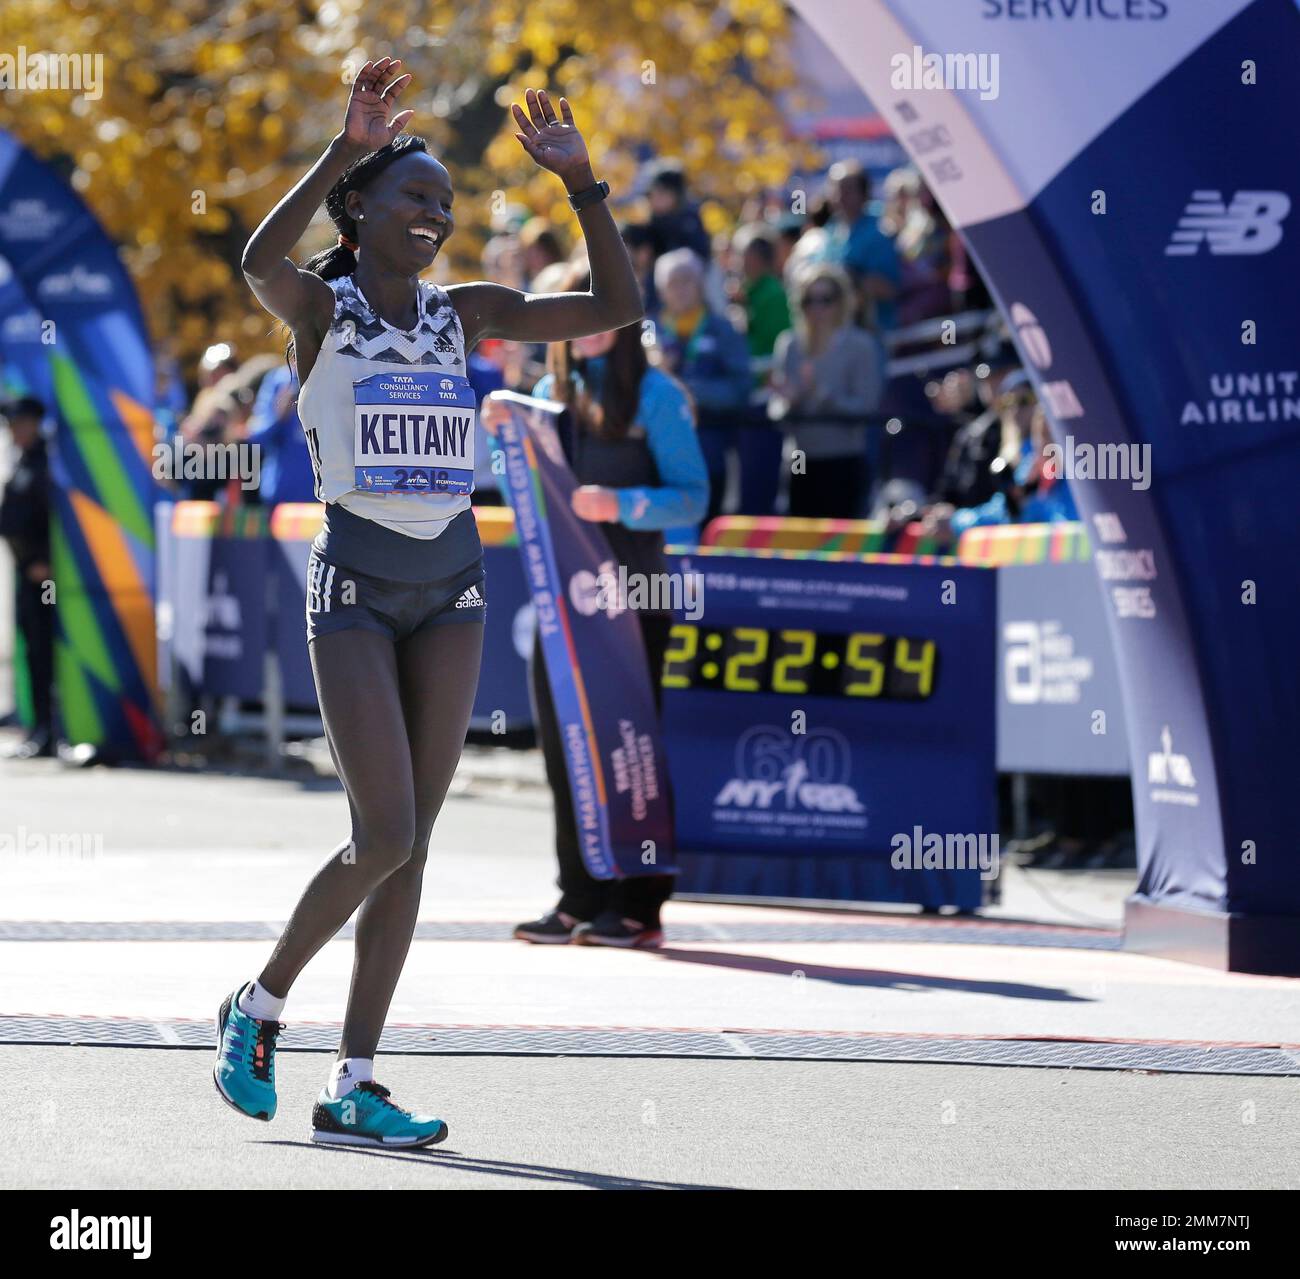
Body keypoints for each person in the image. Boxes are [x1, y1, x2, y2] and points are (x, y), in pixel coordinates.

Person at [223, 58, 642, 1147]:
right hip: (357, 586)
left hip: (450, 587)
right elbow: (257, 256)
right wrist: (344, 148)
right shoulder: (322, 307)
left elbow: (614, 305)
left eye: (445, 207)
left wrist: (583, 188)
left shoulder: (466, 314)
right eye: (414, 197)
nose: (434, 217)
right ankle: (257, 1005)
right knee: (385, 832)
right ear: (360, 208)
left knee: (412, 842)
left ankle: (355, 1080)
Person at [484, 263, 708, 948]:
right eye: (567, 311)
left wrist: (624, 505)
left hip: (635, 590)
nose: (581, 325)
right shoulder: (549, 392)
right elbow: (518, 485)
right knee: (563, 746)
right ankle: (578, 896)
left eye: (593, 308)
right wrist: (502, 433)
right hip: (564, 596)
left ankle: (639, 902)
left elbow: (693, 497)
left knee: (631, 744)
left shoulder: (659, 395)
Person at [768, 264, 885, 518]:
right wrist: (789, 402)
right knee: (797, 545)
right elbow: (777, 409)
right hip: (798, 460)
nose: (817, 308)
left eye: (826, 299)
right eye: (809, 300)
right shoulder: (789, 345)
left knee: (842, 545)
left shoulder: (861, 346)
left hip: (843, 460)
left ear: (842, 301)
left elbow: (866, 407)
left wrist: (822, 395)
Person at [651, 248, 751, 524]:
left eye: (688, 280)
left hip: (710, 452)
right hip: (658, 455)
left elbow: (741, 387)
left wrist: (686, 388)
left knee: (710, 531)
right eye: (673, 282)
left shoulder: (724, 329)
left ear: (701, 284)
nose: (681, 289)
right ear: (661, 291)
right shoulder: (647, 332)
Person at [0, 397, 54, 758]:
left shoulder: (46, 462)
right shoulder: (21, 459)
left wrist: (44, 561)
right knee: (31, 651)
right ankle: (36, 725)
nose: (14, 431)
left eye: (20, 424)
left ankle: (49, 728)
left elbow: (52, 516)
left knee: (45, 651)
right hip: (24, 570)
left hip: (44, 575)